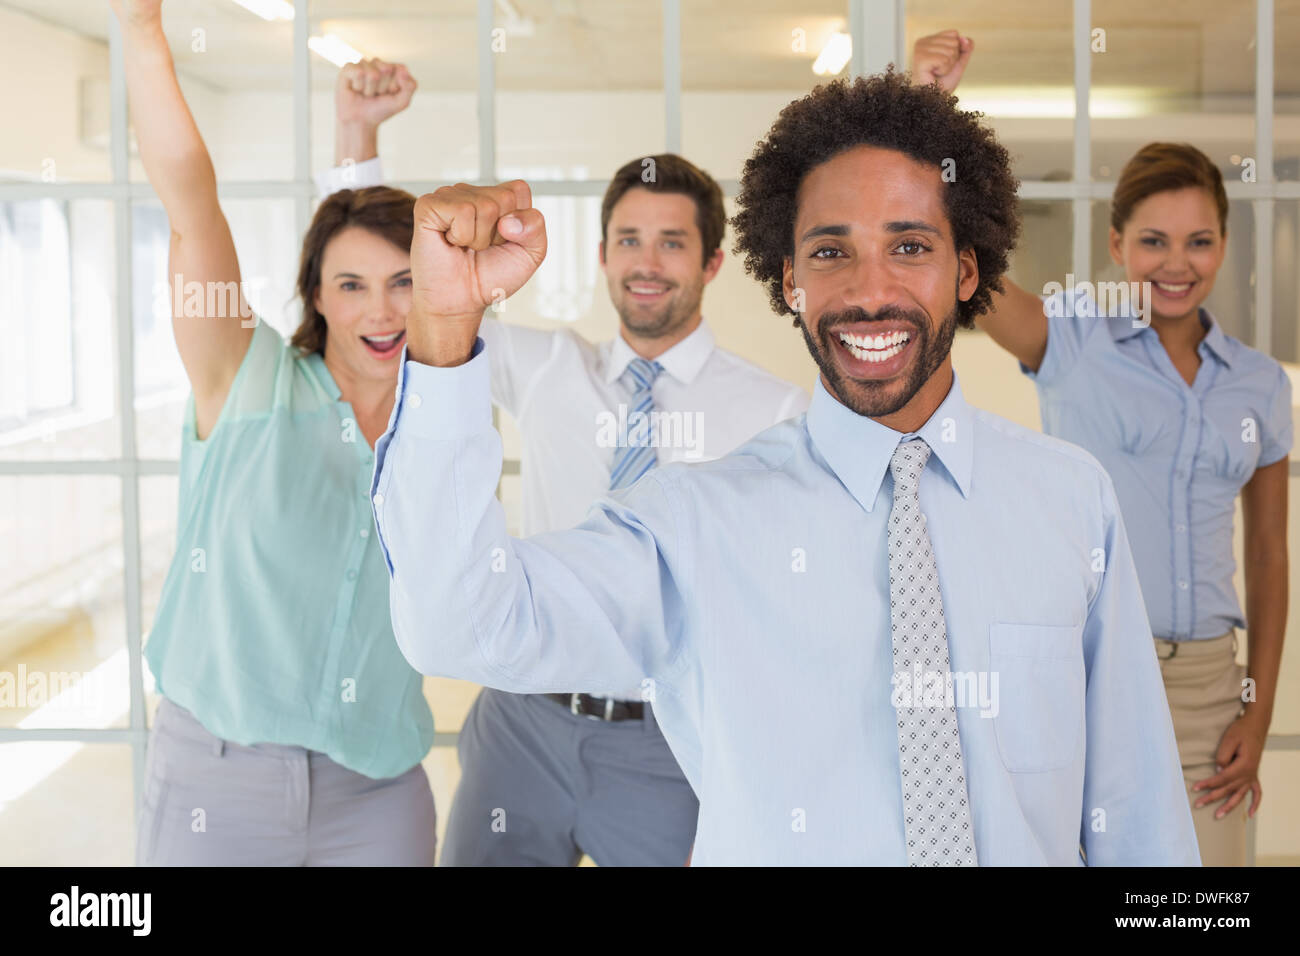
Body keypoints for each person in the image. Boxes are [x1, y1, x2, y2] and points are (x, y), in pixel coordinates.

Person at [368, 67, 1199, 865]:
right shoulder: (698, 518)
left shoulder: (1069, 497)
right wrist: (442, 323)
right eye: (831, 253)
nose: (872, 290)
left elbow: (1135, 807)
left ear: (967, 270)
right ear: (789, 279)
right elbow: (456, 623)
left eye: (910, 246)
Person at [320, 61, 809, 865]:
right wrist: (357, 141)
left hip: (669, 737)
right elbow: (412, 292)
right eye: (629, 240)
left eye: (672, 242)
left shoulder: (775, 413)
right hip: (523, 722)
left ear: (713, 263)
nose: (646, 261)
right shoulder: (550, 366)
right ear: (603, 254)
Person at [915, 30, 1292, 866]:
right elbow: (962, 259)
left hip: (1204, 691)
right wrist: (932, 111)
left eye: (1198, 241)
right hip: (1077, 671)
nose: (1177, 263)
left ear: (1223, 246)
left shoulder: (1260, 386)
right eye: (1153, 241)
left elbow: (1268, 552)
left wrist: (1256, 707)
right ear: (1119, 246)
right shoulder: (1071, 340)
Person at [114, 0, 435, 865]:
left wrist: (357, 133)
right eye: (352, 284)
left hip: (378, 786)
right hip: (219, 778)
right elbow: (191, 207)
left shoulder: (440, 425)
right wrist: (141, 28)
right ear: (318, 295)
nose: (380, 308)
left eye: (404, 282)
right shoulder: (247, 378)